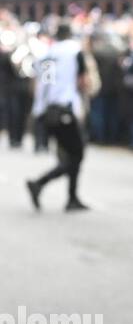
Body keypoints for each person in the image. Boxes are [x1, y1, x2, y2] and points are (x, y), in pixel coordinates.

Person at [24, 23, 91, 212]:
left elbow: (45, 85)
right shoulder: (74, 51)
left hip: (49, 112)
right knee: (76, 155)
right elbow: (83, 81)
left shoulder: (49, 54)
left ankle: (70, 196)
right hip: (65, 110)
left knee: (69, 155)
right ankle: (42, 184)